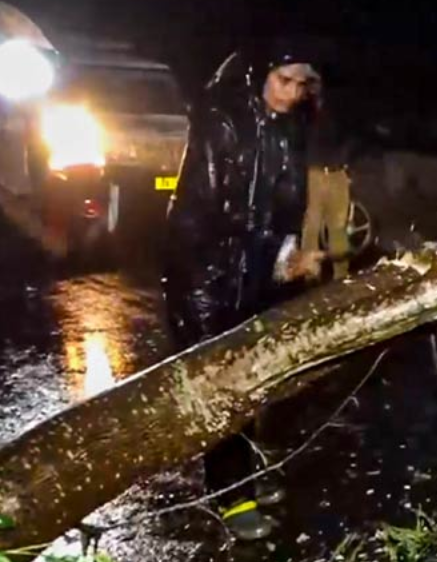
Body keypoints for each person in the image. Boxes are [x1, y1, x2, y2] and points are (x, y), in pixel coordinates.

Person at [162, 43, 326, 541]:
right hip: (204, 271)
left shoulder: (291, 126)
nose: (292, 93)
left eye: (301, 84)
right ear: (260, 74)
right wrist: (252, 252)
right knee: (222, 384)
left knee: (254, 379)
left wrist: (289, 251)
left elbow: (289, 201)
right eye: (283, 80)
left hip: (252, 269)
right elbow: (204, 209)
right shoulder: (222, 119)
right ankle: (231, 496)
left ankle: (242, 478)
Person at [302, 97, 356, 279]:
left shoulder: (340, 114)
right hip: (315, 175)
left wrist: (347, 170)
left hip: (337, 174)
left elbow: (351, 142)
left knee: (338, 227)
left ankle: (341, 275)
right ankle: (309, 274)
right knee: (312, 226)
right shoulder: (304, 115)